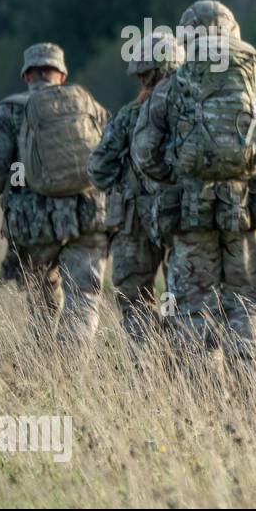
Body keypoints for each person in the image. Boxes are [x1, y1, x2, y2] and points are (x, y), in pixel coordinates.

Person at [131, 1, 256, 361]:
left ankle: (202, 397)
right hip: (249, 213)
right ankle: (247, 379)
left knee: (193, 306)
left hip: (191, 212)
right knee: (249, 301)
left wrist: (179, 178)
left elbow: (144, 150)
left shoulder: (174, 83)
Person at [0, 42, 109, 348]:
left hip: (33, 225)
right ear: (62, 74)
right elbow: (110, 159)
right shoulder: (88, 105)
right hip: (88, 218)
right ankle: (70, 375)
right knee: (83, 299)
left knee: (42, 304)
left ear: (27, 75)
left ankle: (43, 370)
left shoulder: (10, 110)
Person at [88, 31, 183, 350]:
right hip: (183, 219)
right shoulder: (191, 112)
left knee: (134, 302)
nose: (141, 79)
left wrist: (125, 181)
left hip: (135, 221)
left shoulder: (130, 114)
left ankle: (147, 372)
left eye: (144, 73)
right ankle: (180, 370)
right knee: (182, 302)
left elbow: (98, 168)